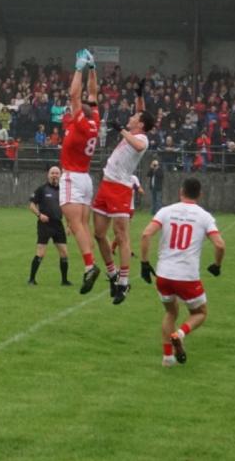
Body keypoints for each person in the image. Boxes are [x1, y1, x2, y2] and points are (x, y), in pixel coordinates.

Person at [139, 177, 225, 367]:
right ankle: (180, 333)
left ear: (181, 192)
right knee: (200, 312)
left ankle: (168, 358)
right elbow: (220, 244)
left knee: (171, 312)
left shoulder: (165, 211)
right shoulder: (204, 216)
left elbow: (146, 234)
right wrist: (217, 265)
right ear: (200, 195)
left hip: (163, 274)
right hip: (187, 276)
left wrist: (144, 263)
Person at [94, 77, 154, 304]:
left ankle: (124, 282)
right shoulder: (139, 126)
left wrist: (120, 129)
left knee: (121, 235)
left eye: (134, 117)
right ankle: (112, 274)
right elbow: (142, 113)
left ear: (139, 125)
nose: (131, 116)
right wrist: (139, 94)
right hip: (106, 184)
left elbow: (137, 144)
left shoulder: (142, 139)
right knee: (99, 234)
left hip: (120, 188)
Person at [58, 48, 103, 294]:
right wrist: (93, 69)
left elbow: (75, 94)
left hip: (72, 176)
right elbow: (92, 92)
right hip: (86, 178)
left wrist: (78, 68)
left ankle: (89, 267)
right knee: (83, 226)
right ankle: (91, 264)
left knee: (74, 225)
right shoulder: (94, 121)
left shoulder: (81, 123)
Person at [28, 166, 71, 286]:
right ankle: (31, 279)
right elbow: (31, 205)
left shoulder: (63, 190)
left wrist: (68, 224)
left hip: (58, 224)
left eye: (57, 173)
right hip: (44, 225)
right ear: (48, 175)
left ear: (60, 175)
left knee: (64, 253)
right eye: (52, 173)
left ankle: (64, 280)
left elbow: (67, 208)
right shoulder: (42, 189)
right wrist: (39, 215)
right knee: (41, 253)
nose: (54, 175)